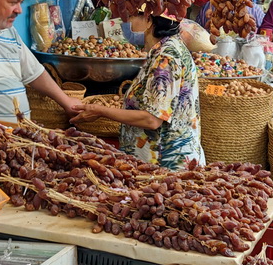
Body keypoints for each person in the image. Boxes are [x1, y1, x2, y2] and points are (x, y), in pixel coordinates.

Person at [70, 10, 204, 171]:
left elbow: (152, 119)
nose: (126, 21)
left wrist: (99, 110)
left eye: (131, 16)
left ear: (148, 20)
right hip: (158, 161)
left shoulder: (167, 57)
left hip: (166, 165)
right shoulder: (164, 50)